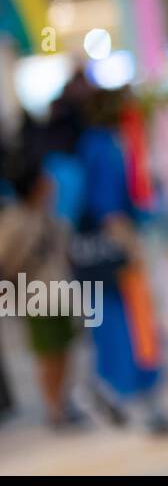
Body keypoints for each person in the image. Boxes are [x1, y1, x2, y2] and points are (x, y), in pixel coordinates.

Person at [0, 150, 82, 427]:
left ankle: (62, 401)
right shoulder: (16, 221)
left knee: (65, 348)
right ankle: (54, 409)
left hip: (58, 292)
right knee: (48, 353)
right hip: (35, 296)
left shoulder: (48, 215)